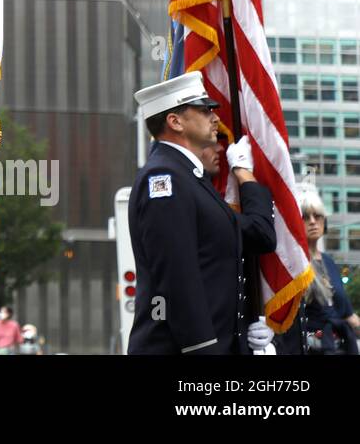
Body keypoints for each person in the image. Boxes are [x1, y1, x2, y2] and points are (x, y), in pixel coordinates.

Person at [127, 72, 276, 354]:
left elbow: (258, 236)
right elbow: (177, 276)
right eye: (204, 110)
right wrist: (203, 348)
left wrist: (245, 174)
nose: (215, 118)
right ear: (175, 121)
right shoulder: (165, 178)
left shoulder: (193, 182)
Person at [197, 139, 276, 354]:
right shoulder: (194, 194)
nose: (220, 149)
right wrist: (243, 173)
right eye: (208, 143)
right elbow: (261, 235)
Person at [274, 190, 359, 355]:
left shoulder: (329, 262)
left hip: (339, 346)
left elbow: (348, 314)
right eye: (305, 217)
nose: (313, 222)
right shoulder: (292, 263)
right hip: (307, 347)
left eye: (317, 216)